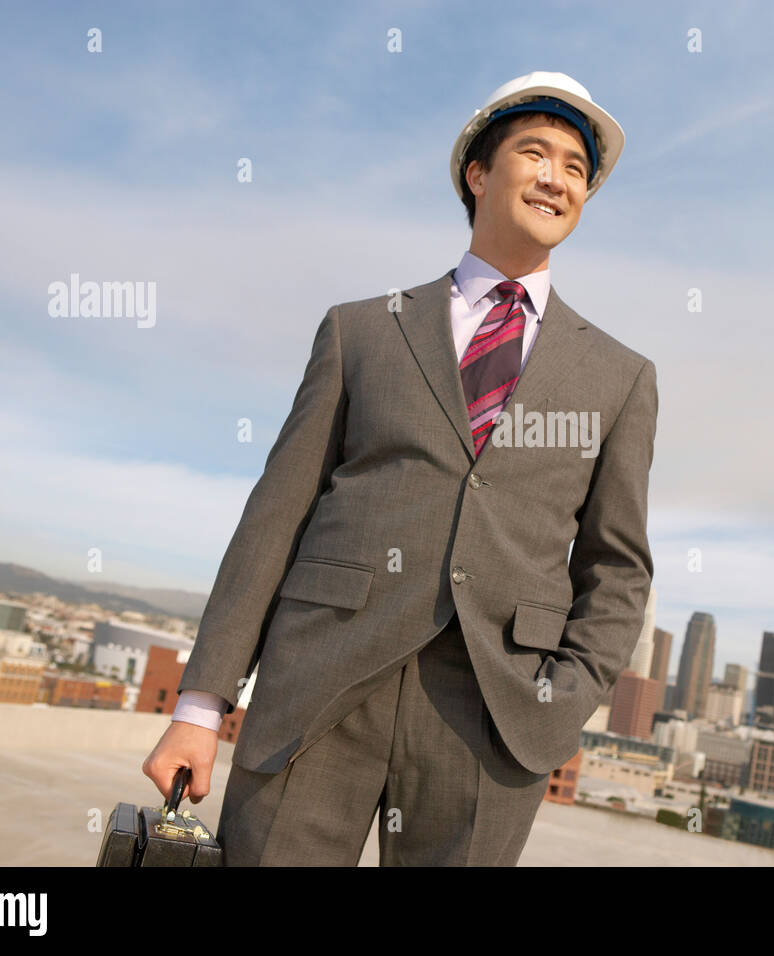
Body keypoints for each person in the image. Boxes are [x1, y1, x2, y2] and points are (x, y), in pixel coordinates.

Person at [141, 71, 657, 865]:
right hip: (318, 693)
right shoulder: (360, 333)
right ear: (477, 173)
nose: (557, 178)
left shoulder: (620, 377)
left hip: (492, 720)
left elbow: (617, 568)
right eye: (535, 152)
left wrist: (562, 698)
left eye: (577, 167)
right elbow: (272, 522)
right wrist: (202, 707)